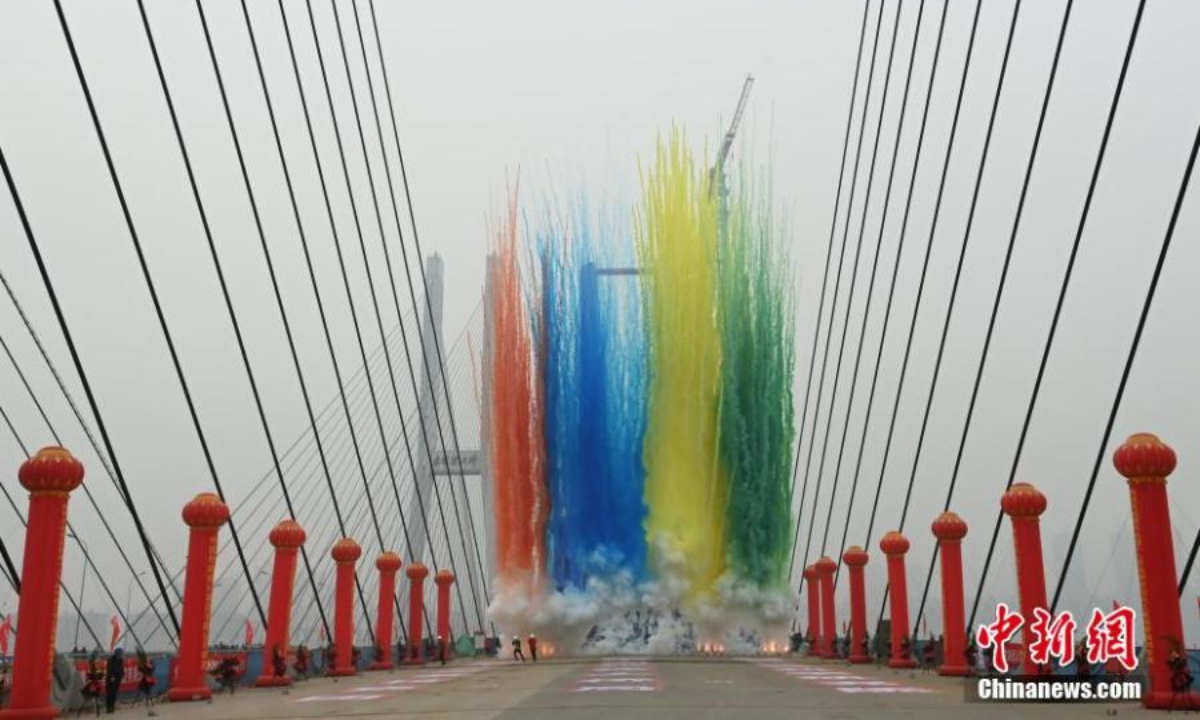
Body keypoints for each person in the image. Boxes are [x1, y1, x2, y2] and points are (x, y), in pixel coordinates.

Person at [104, 648, 125, 714]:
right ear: (117, 654)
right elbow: (109, 669)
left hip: (117, 679)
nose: (121, 655)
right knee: (110, 694)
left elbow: (121, 669)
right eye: (120, 654)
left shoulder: (121, 660)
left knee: (114, 693)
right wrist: (111, 677)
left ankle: (112, 707)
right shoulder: (110, 660)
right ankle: (108, 708)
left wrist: (122, 676)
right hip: (111, 680)